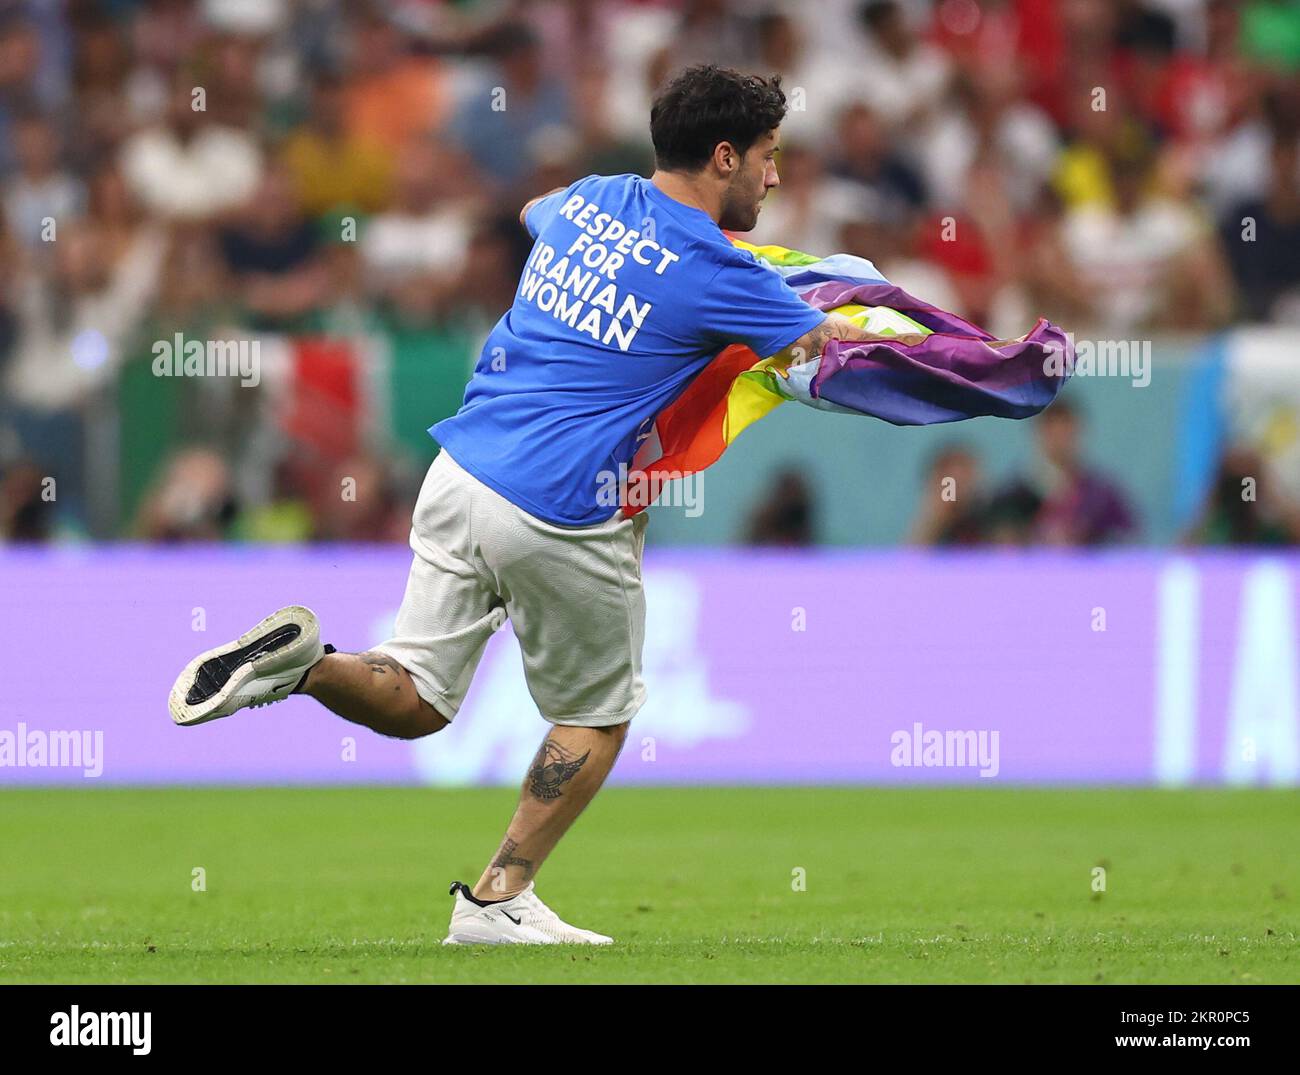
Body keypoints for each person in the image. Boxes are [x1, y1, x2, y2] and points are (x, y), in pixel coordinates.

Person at [166, 65, 898, 945]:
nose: (775, 179)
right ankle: (498, 895)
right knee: (596, 713)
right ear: (724, 156)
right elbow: (834, 341)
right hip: (559, 505)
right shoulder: (717, 270)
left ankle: (302, 665)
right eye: (770, 159)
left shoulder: (590, 198)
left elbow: (530, 213)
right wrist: (929, 328)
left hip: (461, 468)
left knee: (418, 699)